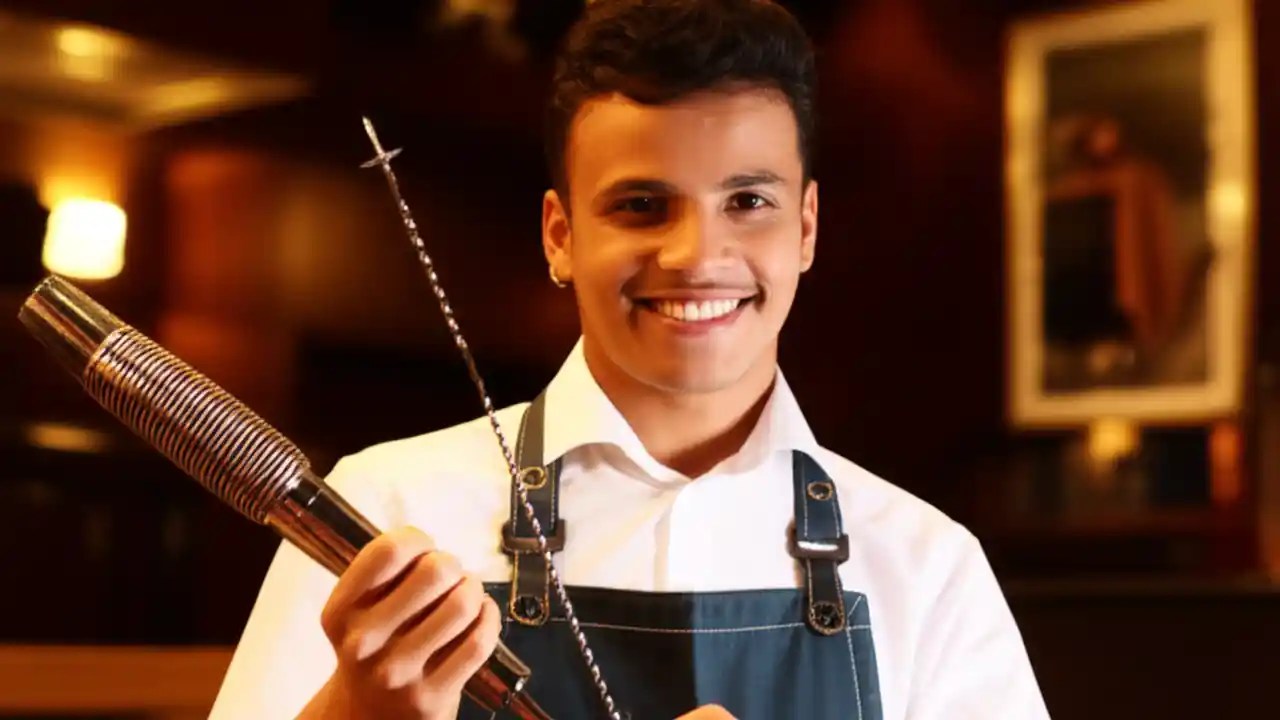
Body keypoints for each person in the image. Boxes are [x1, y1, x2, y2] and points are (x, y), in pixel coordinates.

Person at [208, 1, 1050, 718]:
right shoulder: (385, 510)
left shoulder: (926, 566)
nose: (695, 253)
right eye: (643, 205)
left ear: (806, 228)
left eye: (748, 201)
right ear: (560, 234)